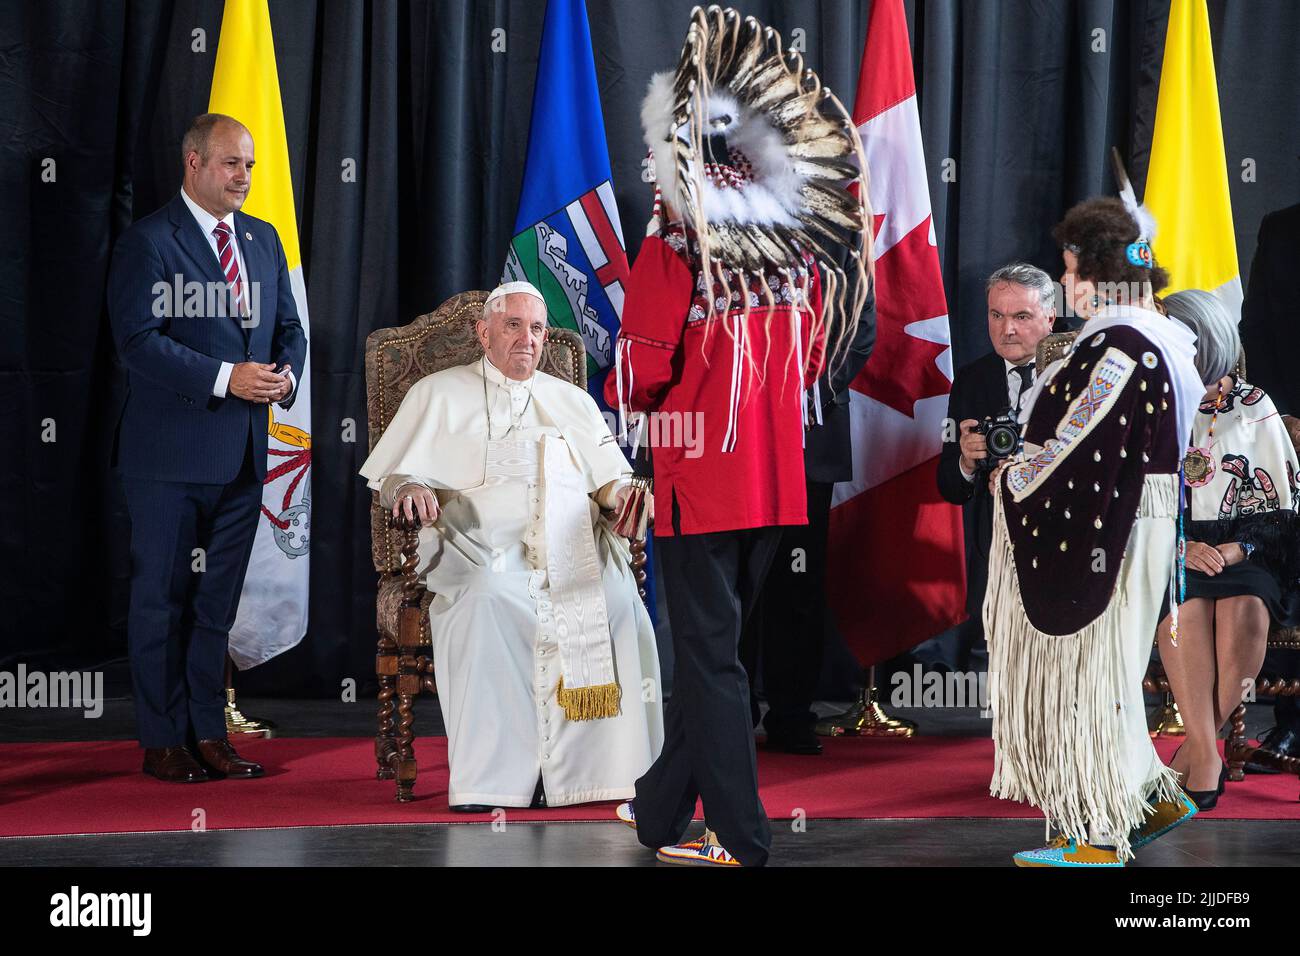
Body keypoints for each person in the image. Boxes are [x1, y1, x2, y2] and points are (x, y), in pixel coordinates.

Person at [605, 7, 871, 866]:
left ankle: (740, 838)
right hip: (775, 484)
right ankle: (656, 813)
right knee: (717, 657)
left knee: (712, 666)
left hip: (695, 483)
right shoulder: (793, 254)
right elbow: (824, 358)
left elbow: (639, 372)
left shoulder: (674, 246)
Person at [359, 282, 663, 810]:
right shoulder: (437, 392)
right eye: (513, 325)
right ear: (484, 332)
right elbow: (393, 475)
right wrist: (407, 487)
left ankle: (595, 774)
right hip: (474, 546)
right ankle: (495, 780)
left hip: (571, 549)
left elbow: (610, 478)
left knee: (616, 604)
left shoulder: (572, 401)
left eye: (537, 328)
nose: (527, 337)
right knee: (491, 596)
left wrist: (625, 494)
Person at [984, 197, 1204, 867]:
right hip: (1143, 518)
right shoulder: (1156, 334)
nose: (1068, 278)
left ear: (1099, 271)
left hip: (1120, 524)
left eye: (1073, 265)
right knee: (1111, 672)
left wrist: (1016, 477)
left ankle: (1098, 838)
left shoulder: (1121, 344)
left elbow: (1085, 444)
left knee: (1095, 675)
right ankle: (1145, 794)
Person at [107, 113, 307, 783]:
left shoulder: (262, 238)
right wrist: (227, 378)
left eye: (249, 165)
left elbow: (290, 331)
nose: (244, 177)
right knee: (160, 600)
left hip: (245, 457)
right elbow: (138, 341)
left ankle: (207, 733)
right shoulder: (148, 242)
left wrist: (285, 376)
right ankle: (162, 740)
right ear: (193, 163)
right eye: (231, 163)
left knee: (215, 606)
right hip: (167, 460)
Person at [1155, 289, 1300, 808]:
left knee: (1244, 606)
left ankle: (1192, 759)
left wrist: (1239, 547)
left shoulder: (1254, 403)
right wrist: (1182, 544)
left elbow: (1285, 508)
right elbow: (1137, 497)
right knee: (1186, 606)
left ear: (1205, 341)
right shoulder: (1157, 398)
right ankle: (1206, 755)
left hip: (1252, 549)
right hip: (1177, 546)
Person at [740, 280, 877, 756]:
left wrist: (801, 387)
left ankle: (792, 713)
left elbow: (861, 333)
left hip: (810, 441)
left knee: (797, 584)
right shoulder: (737, 235)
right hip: (739, 439)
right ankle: (734, 715)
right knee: (737, 585)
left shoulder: (840, 249)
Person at [935, 263, 1056, 672]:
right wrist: (966, 460)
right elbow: (949, 488)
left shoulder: (1076, 375)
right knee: (1007, 658)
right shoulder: (971, 379)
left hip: (1063, 540)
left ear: (1049, 317)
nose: (1007, 330)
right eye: (996, 315)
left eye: (1021, 316)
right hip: (998, 547)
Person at [1238, 201, 1300, 770]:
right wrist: (1278, 414)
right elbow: (1257, 325)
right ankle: (1292, 726)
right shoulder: (1281, 227)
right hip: (1293, 433)